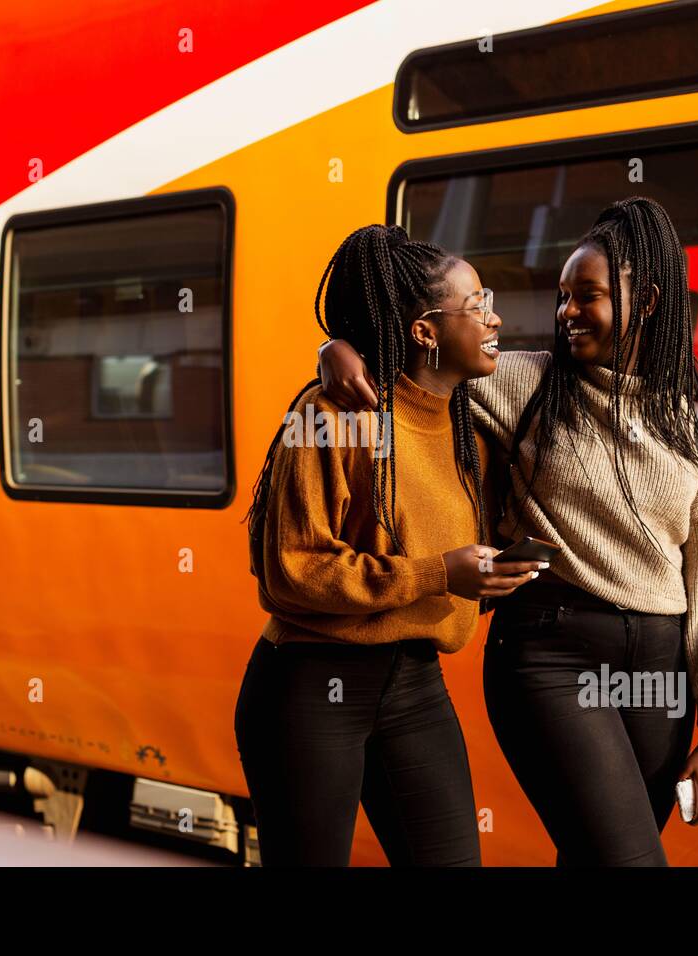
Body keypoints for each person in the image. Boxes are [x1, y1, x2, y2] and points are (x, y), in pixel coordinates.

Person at [317, 197, 698, 865]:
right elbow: (411, 361)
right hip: (551, 655)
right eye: (563, 296)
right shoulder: (523, 384)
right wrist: (337, 347)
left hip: (661, 671)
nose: (567, 312)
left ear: (651, 302)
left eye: (589, 296)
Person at [233, 223, 541, 866]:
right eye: (477, 304)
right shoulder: (331, 414)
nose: (495, 317)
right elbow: (290, 569)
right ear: (425, 330)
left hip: (415, 686)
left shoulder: (467, 423)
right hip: (312, 685)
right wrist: (437, 574)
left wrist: (487, 575)